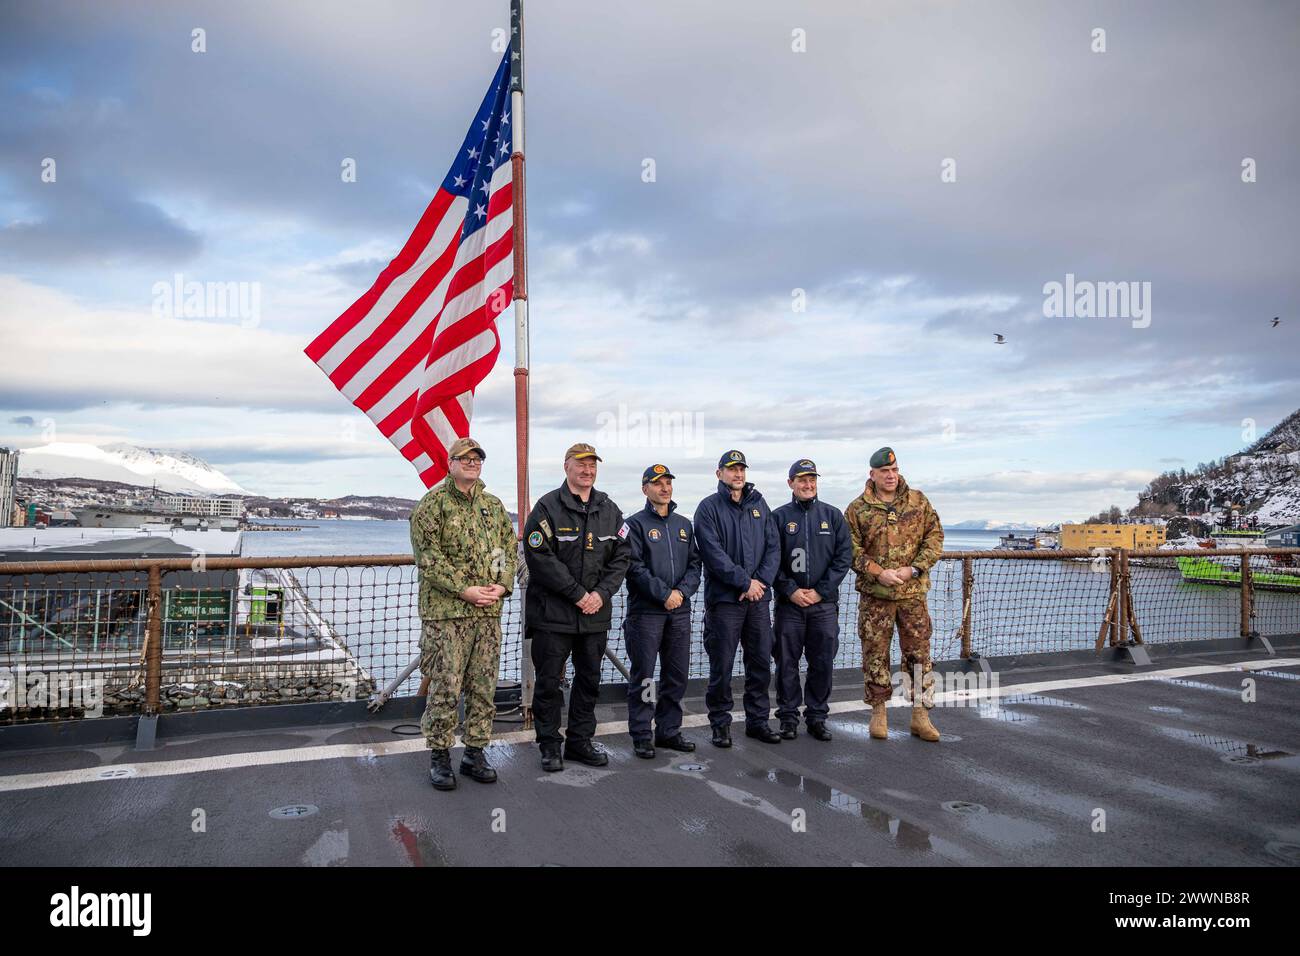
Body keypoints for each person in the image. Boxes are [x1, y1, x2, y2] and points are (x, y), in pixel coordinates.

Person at [410, 437, 517, 790]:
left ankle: (475, 751)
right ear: (450, 463)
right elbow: (429, 559)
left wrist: (501, 585)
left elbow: (506, 550)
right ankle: (440, 755)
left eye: (477, 458)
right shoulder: (432, 505)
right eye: (464, 458)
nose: (472, 463)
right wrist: (464, 590)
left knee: (483, 686)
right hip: (447, 615)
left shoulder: (494, 507)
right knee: (446, 686)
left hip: (487, 615)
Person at [522, 443, 630, 772]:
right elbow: (539, 557)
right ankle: (550, 745)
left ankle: (580, 742)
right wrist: (577, 594)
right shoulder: (547, 508)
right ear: (566, 467)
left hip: (594, 616)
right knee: (548, 683)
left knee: (589, 681)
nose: (587, 471)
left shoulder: (609, 510)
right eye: (580, 465)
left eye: (592, 465)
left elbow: (622, 556)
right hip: (553, 616)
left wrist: (600, 594)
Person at [844, 447, 945, 742]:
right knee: (875, 654)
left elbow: (935, 537)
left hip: (912, 595)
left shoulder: (918, 501)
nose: (890, 475)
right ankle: (879, 713)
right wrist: (878, 571)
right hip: (876, 596)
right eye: (884, 471)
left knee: (919, 655)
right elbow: (850, 550)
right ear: (872, 475)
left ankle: (920, 716)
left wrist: (913, 569)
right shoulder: (857, 509)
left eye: (894, 470)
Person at [694, 449, 781, 747]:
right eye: (732, 469)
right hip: (725, 602)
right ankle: (720, 724)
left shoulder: (760, 504)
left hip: (758, 601)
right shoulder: (707, 509)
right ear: (719, 473)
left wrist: (759, 584)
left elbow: (774, 548)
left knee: (759, 664)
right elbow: (712, 553)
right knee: (722, 666)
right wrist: (745, 582)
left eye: (741, 469)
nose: (738, 474)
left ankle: (758, 721)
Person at [620, 463, 702, 758]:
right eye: (657, 483)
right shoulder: (634, 525)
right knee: (644, 677)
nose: (664, 488)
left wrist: (681, 593)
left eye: (668, 482)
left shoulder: (684, 525)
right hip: (647, 614)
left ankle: (669, 731)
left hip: (679, 612)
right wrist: (664, 594)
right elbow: (634, 567)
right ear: (646, 489)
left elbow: (695, 564)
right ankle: (642, 733)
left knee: (676, 675)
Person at [771, 459, 853, 741]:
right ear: (790, 483)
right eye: (802, 480)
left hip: (823, 605)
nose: (808, 484)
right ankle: (788, 717)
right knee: (787, 662)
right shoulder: (778, 518)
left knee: (822, 662)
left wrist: (821, 591)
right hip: (789, 605)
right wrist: (789, 589)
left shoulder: (832, 516)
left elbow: (844, 558)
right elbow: (771, 559)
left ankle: (817, 716)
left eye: (812, 479)